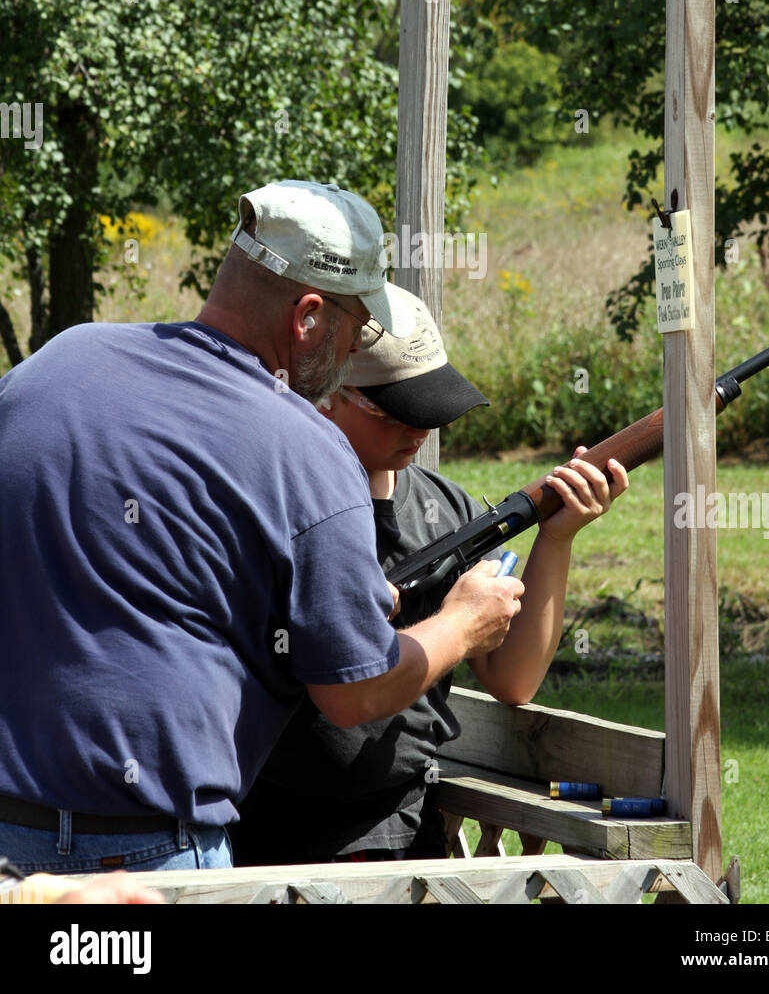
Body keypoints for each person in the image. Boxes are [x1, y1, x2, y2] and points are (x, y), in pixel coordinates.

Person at [0, 181, 523, 876]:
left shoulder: (57, 366)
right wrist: (464, 623)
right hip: (148, 855)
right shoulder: (307, 449)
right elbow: (354, 693)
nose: (352, 350)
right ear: (310, 317)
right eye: (358, 328)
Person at [232, 289, 628, 864]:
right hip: (271, 824)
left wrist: (556, 537)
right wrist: (454, 623)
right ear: (325, 398)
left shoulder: (448, 512)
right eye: (397, 410)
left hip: (402, 822)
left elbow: (513, 680)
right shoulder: (277, 503)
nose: (420, 428)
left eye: (429, 406)